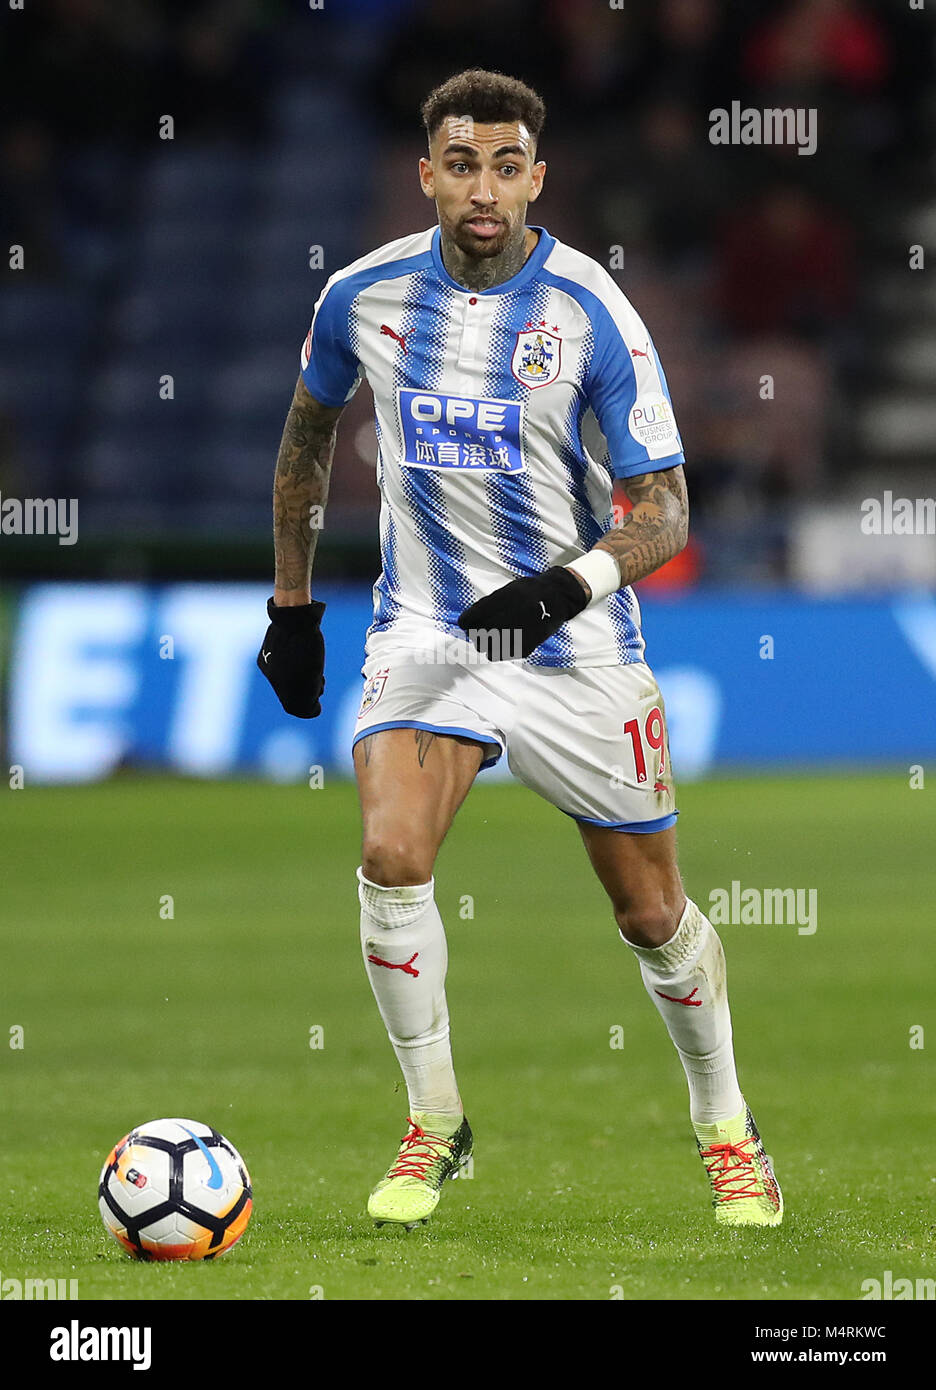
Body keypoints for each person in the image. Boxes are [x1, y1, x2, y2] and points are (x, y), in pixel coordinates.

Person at [257, 67, 782, 1232]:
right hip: (431, 631)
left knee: (651, 915)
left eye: (506, 167)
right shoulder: (360, 296)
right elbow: (304, 443)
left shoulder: (591, 310)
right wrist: (293, 608)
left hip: (576, 644)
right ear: (428, 174)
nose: (482, 189)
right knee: (391, 852)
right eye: (461, 164)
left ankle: (728, 1126)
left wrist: (568, 584)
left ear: (537, 178)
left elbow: (666, 510)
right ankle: (435, 1122)